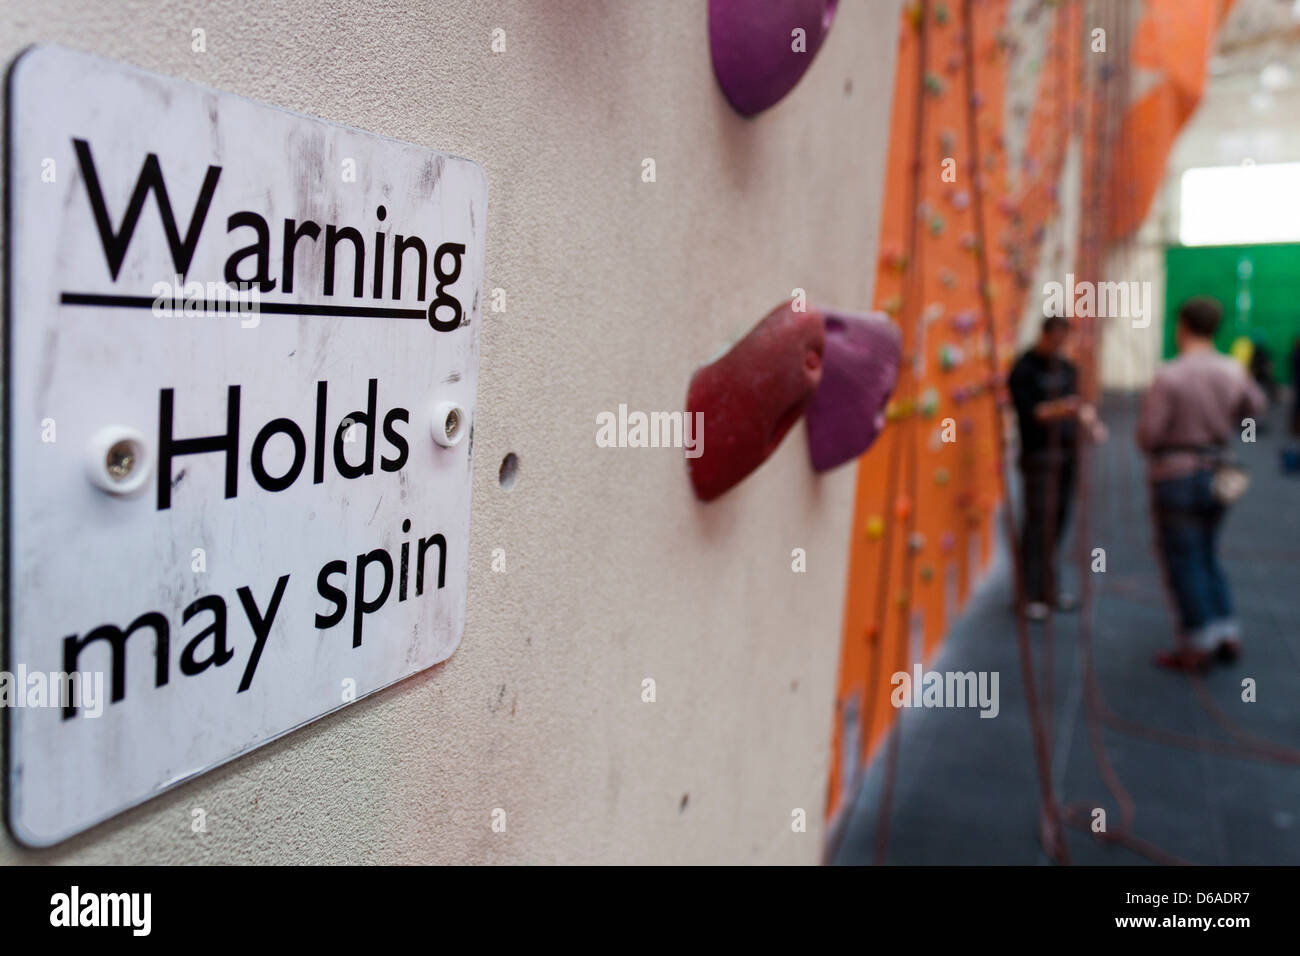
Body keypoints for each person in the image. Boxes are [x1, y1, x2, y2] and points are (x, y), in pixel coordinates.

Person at [1137, 296, 1266, 670]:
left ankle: (1197, 643)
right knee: (1208, 552)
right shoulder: (1232, 370)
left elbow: (1149, 436)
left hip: (1177, 475)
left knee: (1184, 558)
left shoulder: (1171, 374)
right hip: (1219, 470)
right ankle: (1226, 632)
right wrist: (1222, 421)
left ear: (1182, 326)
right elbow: (1255, 405)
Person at [1008, 314, 1107, 621]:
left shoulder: (1066, 368)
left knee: (1057, 525)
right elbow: (1031, 412)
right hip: (1039, 455)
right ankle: (1029, 594)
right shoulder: (1024, 369)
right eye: (1056, 340)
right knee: (1038, 525)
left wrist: (1089, 421)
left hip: (1066, 455)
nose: (1060, 346)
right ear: (1045, 335)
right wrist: (1064, 409)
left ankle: (1049, 590)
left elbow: (1080, 403)